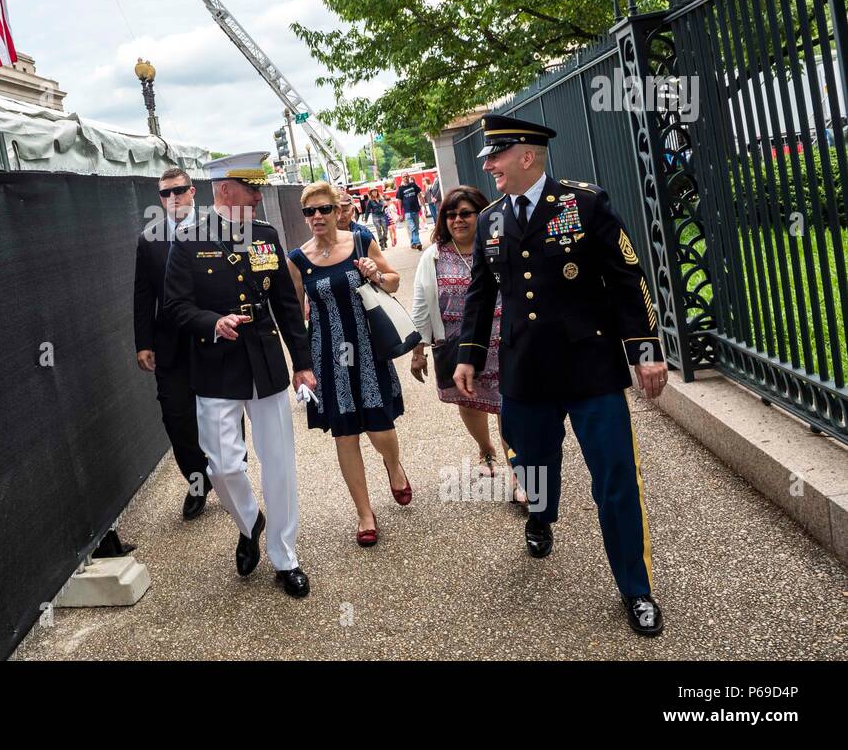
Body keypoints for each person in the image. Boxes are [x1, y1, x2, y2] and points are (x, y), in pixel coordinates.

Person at [452, 114, 670, 637]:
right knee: (534, 464)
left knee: (615, 478)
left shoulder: (585, 203)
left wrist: (646, 350)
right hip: (526, 371)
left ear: (527, 156)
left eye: (497, 155)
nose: (489, 165)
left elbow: (625, 277)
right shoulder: (492, 221)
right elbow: (482, 293)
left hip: (590, 367)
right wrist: (469, 354)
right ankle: (540, 516)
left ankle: (635, 589)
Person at [163, 151, 317, 598]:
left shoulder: (266, 235)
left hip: (265, 363)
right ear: (224, 189)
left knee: (280, 465)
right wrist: (211, 322)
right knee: (223, 465)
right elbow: (174, 306)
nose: (257, 194)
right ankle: (250, 523)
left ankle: (285, 556)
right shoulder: (189, 239)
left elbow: (287, 305)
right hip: (215, 365)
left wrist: (302, 363)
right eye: (250, 187)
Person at [287, 182, 408, 547]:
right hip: (329, 354)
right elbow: (293, 315)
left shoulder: (359, 242)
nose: (318, 217)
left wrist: (374, 272)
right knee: (345, 433)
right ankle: (364, 513)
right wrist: (301, 365)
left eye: (324, 209)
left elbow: (394, 282)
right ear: (305, 216)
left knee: (380, 426)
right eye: (310, 212)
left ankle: (393, 464)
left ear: (337, 210)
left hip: (367, 347)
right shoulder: (298, 259)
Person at [409, 185, 527, 505]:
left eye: (465, 214)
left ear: (482, 214)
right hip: (458, 345)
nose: (457, 220)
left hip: (503, 340)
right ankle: (486, 449)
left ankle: (518, 475)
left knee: (507, 406)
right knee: (470, 403)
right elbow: (421, 303)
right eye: (450, 214)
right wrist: (418, 349)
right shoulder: (433, 255)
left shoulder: (498, 246)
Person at [134, 167, 212, 520]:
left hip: (212, 339)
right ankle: (198, 483)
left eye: (178, 191)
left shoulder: (218, 230)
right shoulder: (148, 239)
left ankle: (230, 475)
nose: (172, 198)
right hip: (169, 345)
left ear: (192, 191)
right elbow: (142, 294)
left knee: (219, 412)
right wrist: (143, 342)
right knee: (177, 418)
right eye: (165, 194)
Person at [398, 179, 422, 249]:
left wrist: (423, 207)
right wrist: (400, 213)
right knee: (413, 228)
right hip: (407, 212)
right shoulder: (401, 188)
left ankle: (413, 243)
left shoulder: (414, 185)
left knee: (416, 228)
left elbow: (420, 195)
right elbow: (399, 201)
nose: (405, 177)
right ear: (402, 178)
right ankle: (418, 242)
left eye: (407, 176)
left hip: (416, 210)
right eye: (404, 176)